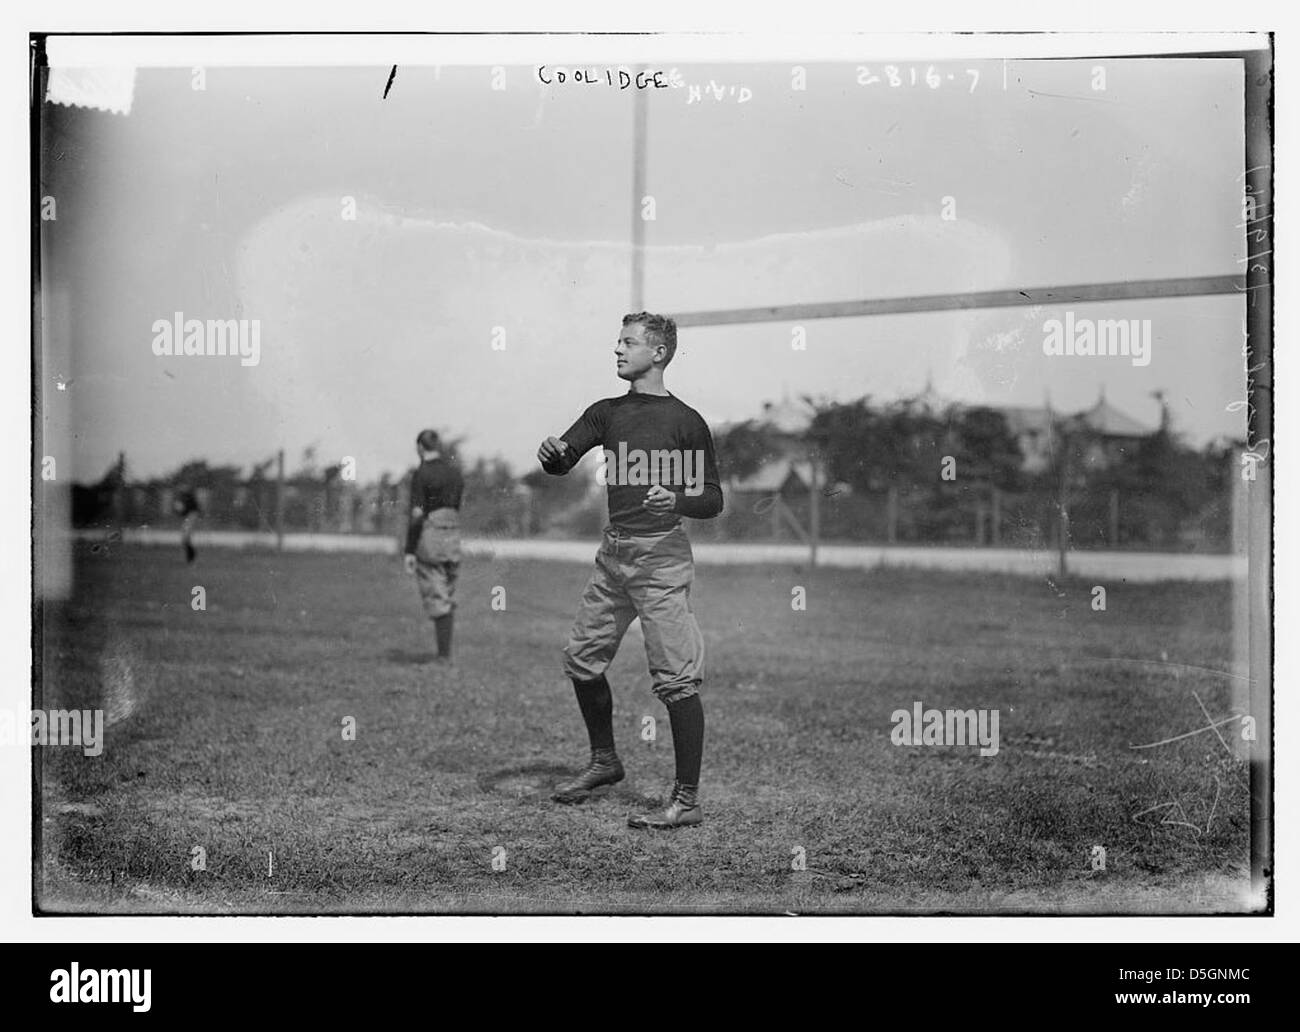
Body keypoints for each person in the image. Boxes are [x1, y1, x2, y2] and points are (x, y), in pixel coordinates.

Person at [537, 312, 723, 830]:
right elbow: (563, 458)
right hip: (613, 556)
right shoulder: (605, 412)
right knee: (582, 660)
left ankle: (685, 802)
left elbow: (713, 499)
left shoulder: (686, 421)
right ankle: (604, 762)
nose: (618, 350)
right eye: (617, 341)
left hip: (661, 557)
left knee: (676, 680)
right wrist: (552, 454)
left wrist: (680, 498)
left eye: (628, 343)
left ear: (659, 353)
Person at [403, 430, 464, 663]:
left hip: (430, 536)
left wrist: (409, 549)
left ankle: (443, 655)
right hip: (453, 535)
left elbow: (418, 514)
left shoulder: (421, 473)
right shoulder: (455, 473)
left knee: (437, 595)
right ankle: (444, 652)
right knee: (446, 591)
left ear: (420, 447)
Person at [173, 487, 200, 563]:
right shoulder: (189, 499)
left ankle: (191, 557)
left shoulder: (188, 499)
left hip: (191, 517)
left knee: (185, 538)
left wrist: (180, 508)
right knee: (185, 538)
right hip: (190, 517)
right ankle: (190, 557)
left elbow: (185, 511)